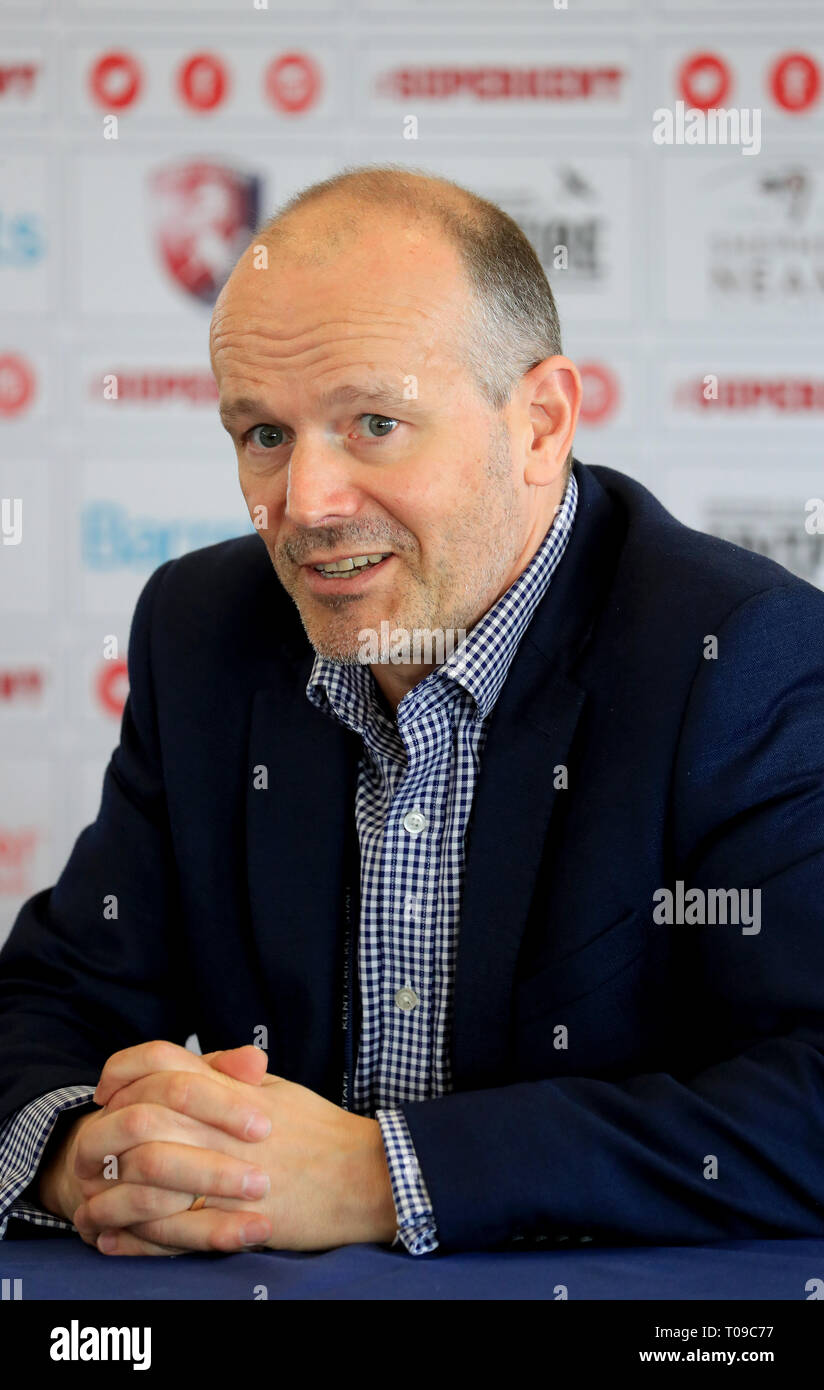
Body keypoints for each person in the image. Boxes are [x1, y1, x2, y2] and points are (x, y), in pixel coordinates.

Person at [1, 165, 823, 1259]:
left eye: (373, 422)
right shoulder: (204, 631)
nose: (305, 505)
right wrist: (94, 1153)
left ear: (539, 423)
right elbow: (53, 995)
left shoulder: (741, 654)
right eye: (263, 435)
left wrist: (380, 1174)